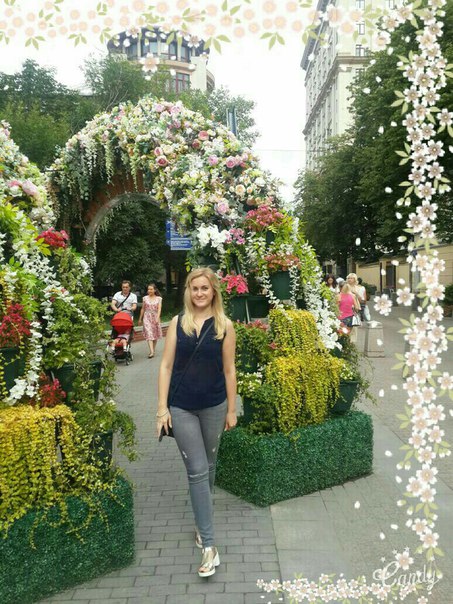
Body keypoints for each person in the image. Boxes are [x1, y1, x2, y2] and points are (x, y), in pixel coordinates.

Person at [157, 267, 237, 578]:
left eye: (204, 288)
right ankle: (210, 546)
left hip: (215, 406)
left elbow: (229, 370)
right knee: (197, 470)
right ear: (188, 292)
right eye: (195, 288)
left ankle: (201, 521)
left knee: (210, 466)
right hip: (182, 408)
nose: (199, 293)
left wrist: (232, 410)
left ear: (213, 291)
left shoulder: (224, 326)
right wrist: (161, 409)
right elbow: (165, 367)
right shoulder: (178, 323)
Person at [138, 283, 162, 358]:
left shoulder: (159, 298)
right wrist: (140, 319)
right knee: (149, 333)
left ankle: (153, 350)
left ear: (155, 290)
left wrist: (157, 318)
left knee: (155, 334)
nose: (149, 291)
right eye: (148, 289)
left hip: (155, 316)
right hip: (147, 317)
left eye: (151, 289)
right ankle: (151, 351)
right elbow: (143, 308)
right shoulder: (145, 298)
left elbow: (159, 309)